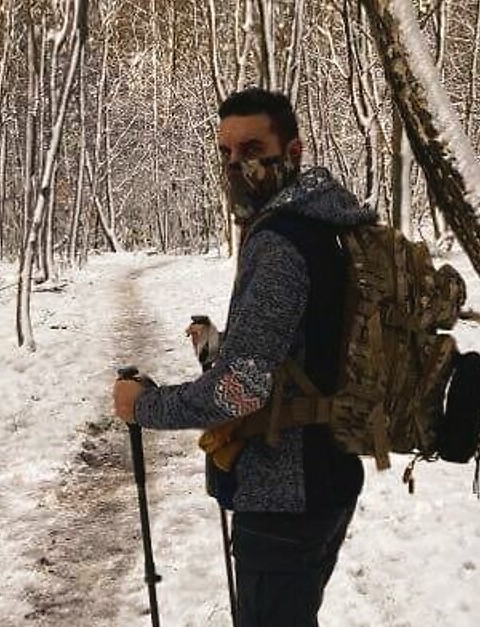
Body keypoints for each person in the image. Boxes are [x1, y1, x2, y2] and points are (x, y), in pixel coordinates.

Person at [112, 87, 376, 626]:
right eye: (226, 152)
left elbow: (241, 391)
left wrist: (145, 405)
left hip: (285, 494)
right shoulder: (324, 226)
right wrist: (221, 346)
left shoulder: (280, 242)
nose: (236, 165)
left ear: (294, 151)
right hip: (327, 474)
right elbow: (304, 345)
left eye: (252, 149)